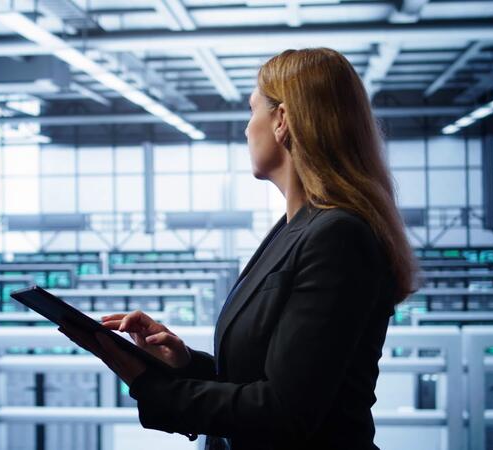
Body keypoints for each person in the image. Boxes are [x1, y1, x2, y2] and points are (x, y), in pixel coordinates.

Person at [58, 48, 418, 450]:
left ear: (282, 121)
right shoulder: (297, 228)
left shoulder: (337, 236)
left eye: (253, 111)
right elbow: (275, 377)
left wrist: (148, 384)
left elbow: (284, 412)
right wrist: (184, 364)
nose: (247, 129)